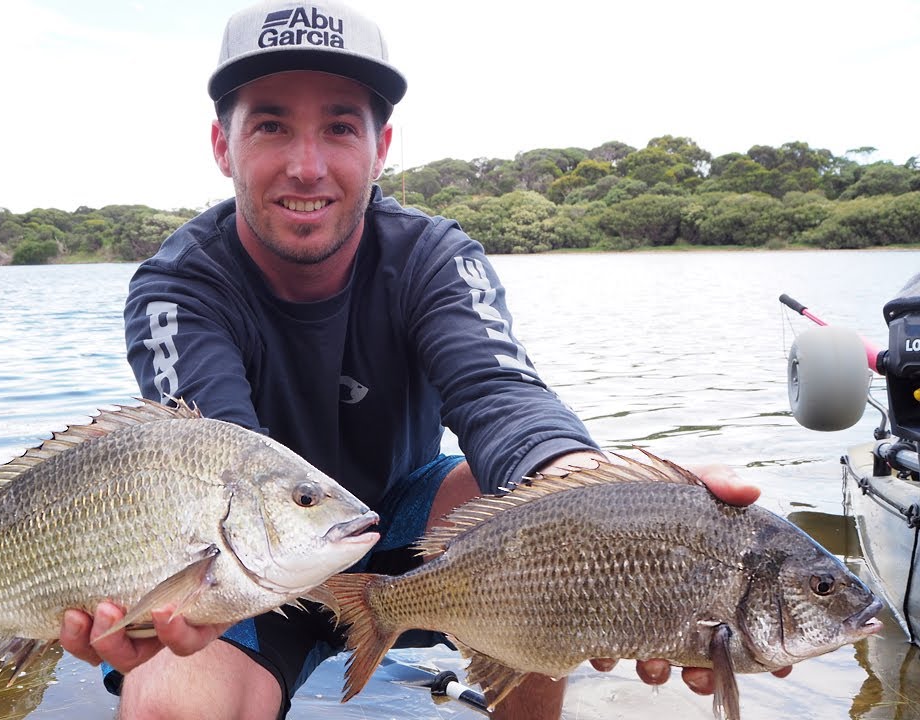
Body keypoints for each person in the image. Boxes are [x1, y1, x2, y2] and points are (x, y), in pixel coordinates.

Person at [60, 1, 786, 717]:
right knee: (165, 703)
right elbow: (211, 460)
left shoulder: (432, 256)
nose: (306, 166)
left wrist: (590, 489)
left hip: (403, 525)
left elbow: (500, 394)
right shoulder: (177, 286)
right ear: (223, 145)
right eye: (272, 125)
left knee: (547, 518)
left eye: (340, 127)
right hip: (241, 564)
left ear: (382, 147)